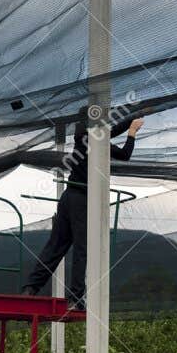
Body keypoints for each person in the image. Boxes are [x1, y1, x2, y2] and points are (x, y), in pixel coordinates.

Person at [22, 113, 143, 308]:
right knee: (81, 249)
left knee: (55, 246)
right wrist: (132, 132)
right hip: (82, 199)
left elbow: (109, 133)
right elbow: (125, 154)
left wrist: (130, 119)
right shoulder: (99, 145)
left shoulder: (84, 140)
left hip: (68, 197)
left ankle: (30, 289)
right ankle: (75, 297)